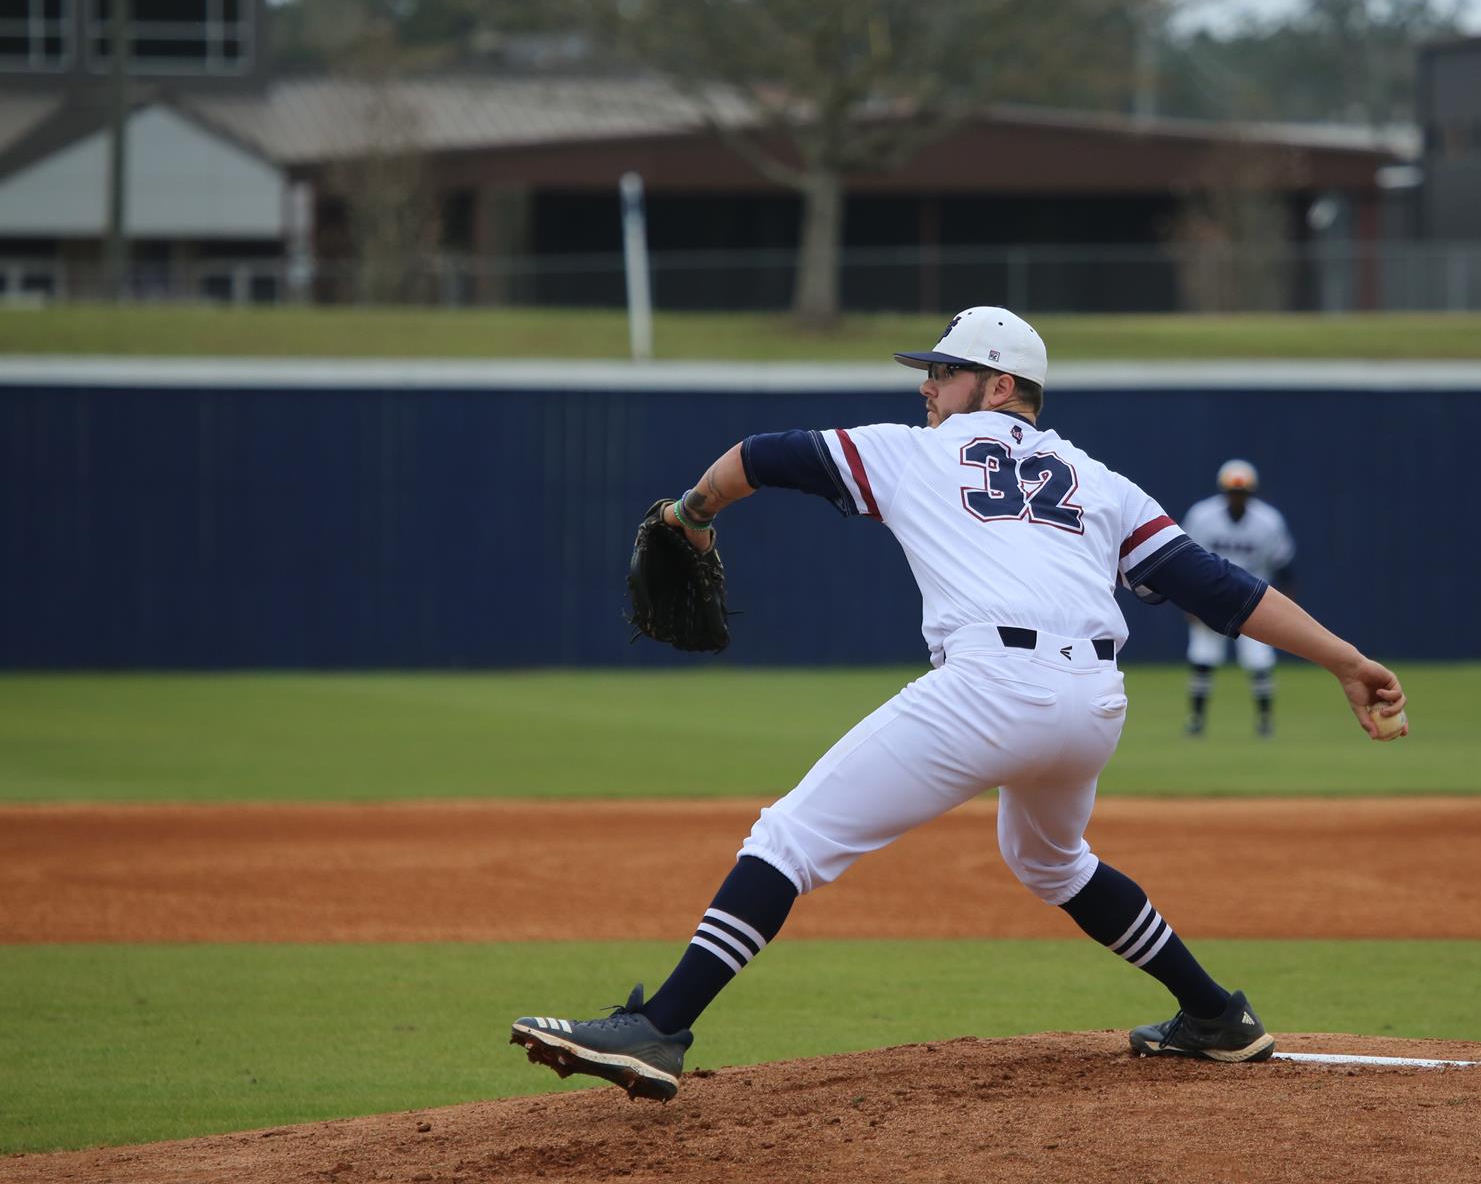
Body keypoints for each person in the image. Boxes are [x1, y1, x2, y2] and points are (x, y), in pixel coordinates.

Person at [510, 306, 1407, 1102]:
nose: (929, 387)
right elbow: (1220, 588)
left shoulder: (916, 451)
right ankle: (1217, 1014)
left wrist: (692, 513)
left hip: (990, 688)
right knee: (1049, 860)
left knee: (789, 836)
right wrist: (1345, 659)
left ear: (1001, 384)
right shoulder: (1100, 481)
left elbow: (758, 456)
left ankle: (659, 1027)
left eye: (944, 371)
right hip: (1094, 704)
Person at [1180, 460, 1297, 738]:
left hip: (1254, 597)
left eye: (1242, 492)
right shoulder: (1202, 516)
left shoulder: (1269, 521)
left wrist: (1286, 607)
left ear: (1251, 493)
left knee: (1259, 661)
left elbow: (1284, 567)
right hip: (1211, 596)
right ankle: (1196, 721)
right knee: (1203, 658)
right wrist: (1188, 600)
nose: (1237, 497)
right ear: (1223, 491)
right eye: (1232, 492)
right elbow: (1183, 560)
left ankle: (1265, 722)